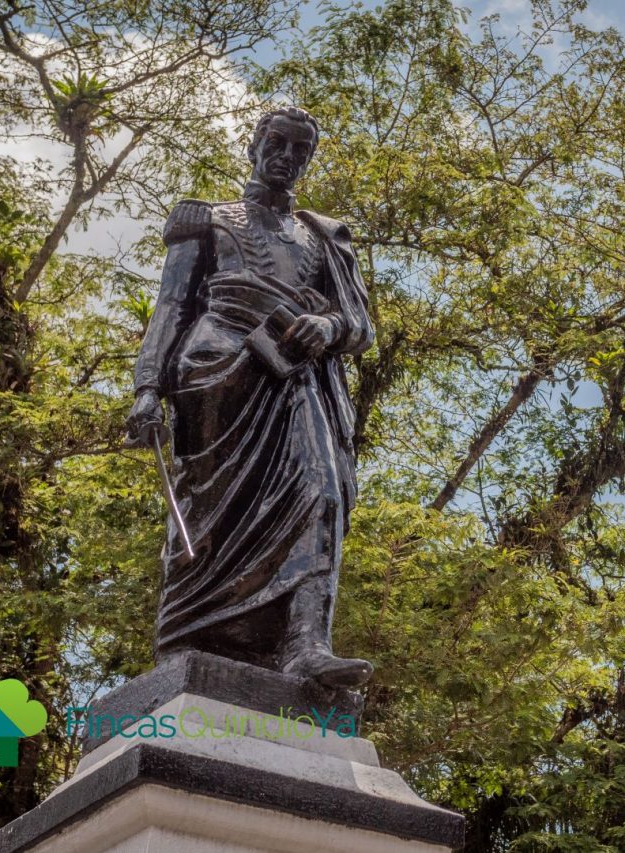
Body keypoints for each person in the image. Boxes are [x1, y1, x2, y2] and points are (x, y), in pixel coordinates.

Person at [125, 106, 374, 688]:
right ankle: (188, 637)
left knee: (318, 488)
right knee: (206, 514)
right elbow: (172, 307)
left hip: (294, 374)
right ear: (256, 145)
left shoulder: (324, 237)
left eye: (300, 151)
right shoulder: (205, 220)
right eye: (278, 144)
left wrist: (330, 328)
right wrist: (145, 387)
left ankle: (305, 643)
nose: (286, 158)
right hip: (216, 371)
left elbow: (360, 326)